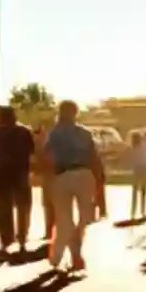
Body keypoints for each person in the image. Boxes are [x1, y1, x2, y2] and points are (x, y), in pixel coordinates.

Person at [44, 100, 102, 273]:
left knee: (64, 218)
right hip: (84, 174)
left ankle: (58, 255)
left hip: (62, 175)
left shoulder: (54, 134)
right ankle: (75, 254)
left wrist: (47, 179)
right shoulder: (84, 133)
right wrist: (99, 179)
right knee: (84, 218)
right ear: (76, 113)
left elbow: (47, 157)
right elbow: (94, 157)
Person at [0, 105, 35, 254]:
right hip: (21, 173)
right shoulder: (25, 132)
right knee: (23, 207)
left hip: (3, 175)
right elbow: (32, 152)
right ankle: (22, 239)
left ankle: (5, 241)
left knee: (3, 209)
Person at [34, 122, 56, 243]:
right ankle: (50, 230)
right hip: (51, 175)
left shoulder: (46, 143)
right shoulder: (43, 143)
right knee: (50, 204)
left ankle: (51, 230)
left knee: (50, 204)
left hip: (51, 175)